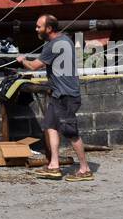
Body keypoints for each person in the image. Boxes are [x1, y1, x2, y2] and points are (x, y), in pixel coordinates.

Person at [17, 14, 93, 181]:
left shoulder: (51, 45)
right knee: (50, 126)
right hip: (58, 94)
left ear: (49, 29)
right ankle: (54, 165)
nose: (36, 29)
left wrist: (22, 60)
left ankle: (85, 169)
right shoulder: (66, 39)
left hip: (66, 96)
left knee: (71, 132)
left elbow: (34, 66)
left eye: (39, 26)